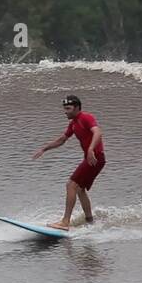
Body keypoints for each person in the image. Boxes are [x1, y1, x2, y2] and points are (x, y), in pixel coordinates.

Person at [32, 95, 106, 230]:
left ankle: (65, 222)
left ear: (77, 108)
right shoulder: (73, 123)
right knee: (79, 189)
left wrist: (90, 149)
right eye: (64, 108)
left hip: (95, 158)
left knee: (71, 185)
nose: (65, 111)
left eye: (68, 108)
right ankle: (90, 221)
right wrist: (44, 148)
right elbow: (62, 139)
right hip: (92, 158)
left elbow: (97, 132)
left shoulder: (86, 117)